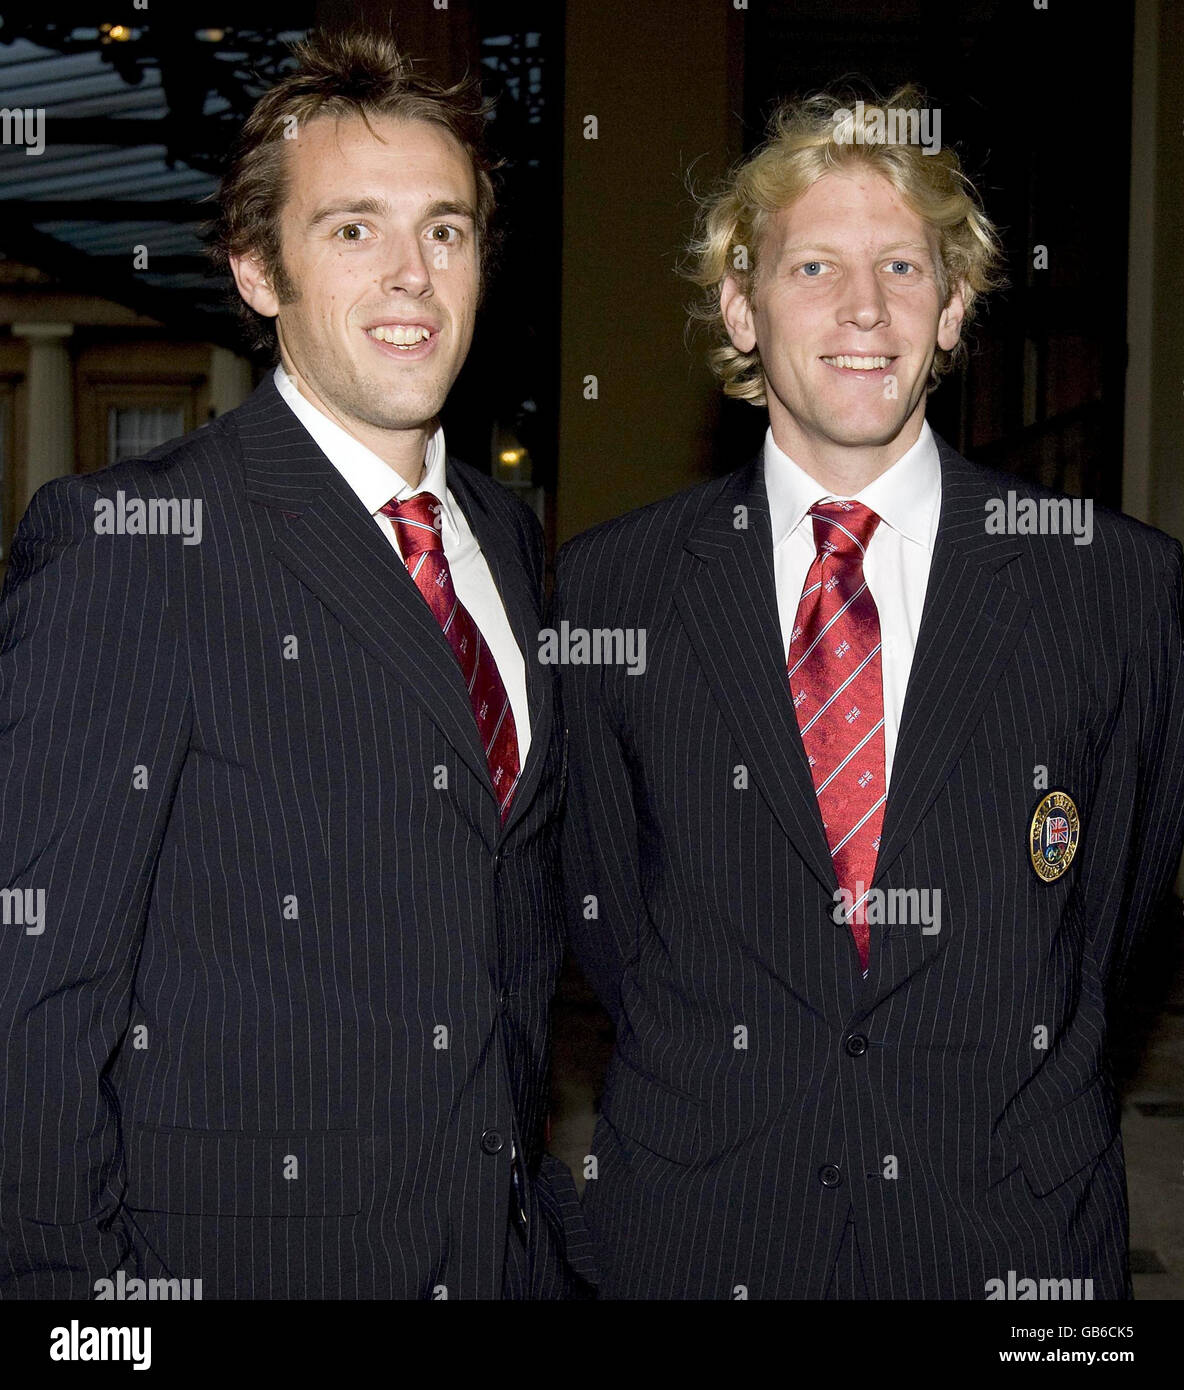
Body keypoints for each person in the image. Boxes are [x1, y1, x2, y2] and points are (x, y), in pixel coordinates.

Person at [555, 85, 1184, 1299]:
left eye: (902, 266)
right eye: (811, 268)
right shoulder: (608, 592)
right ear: (739, 304)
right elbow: (611, 922)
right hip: (699, 1227)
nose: (862, 309)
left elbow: (1103, 926)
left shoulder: (1115, 586)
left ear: (952, 310)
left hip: (1009, 1234)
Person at [0, 28, 592, 1300]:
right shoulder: (131, 547)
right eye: (351, 231)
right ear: (257, 272)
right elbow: (31, 1001)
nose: (411, 278)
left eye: (445, 230)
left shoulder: (503, 536)